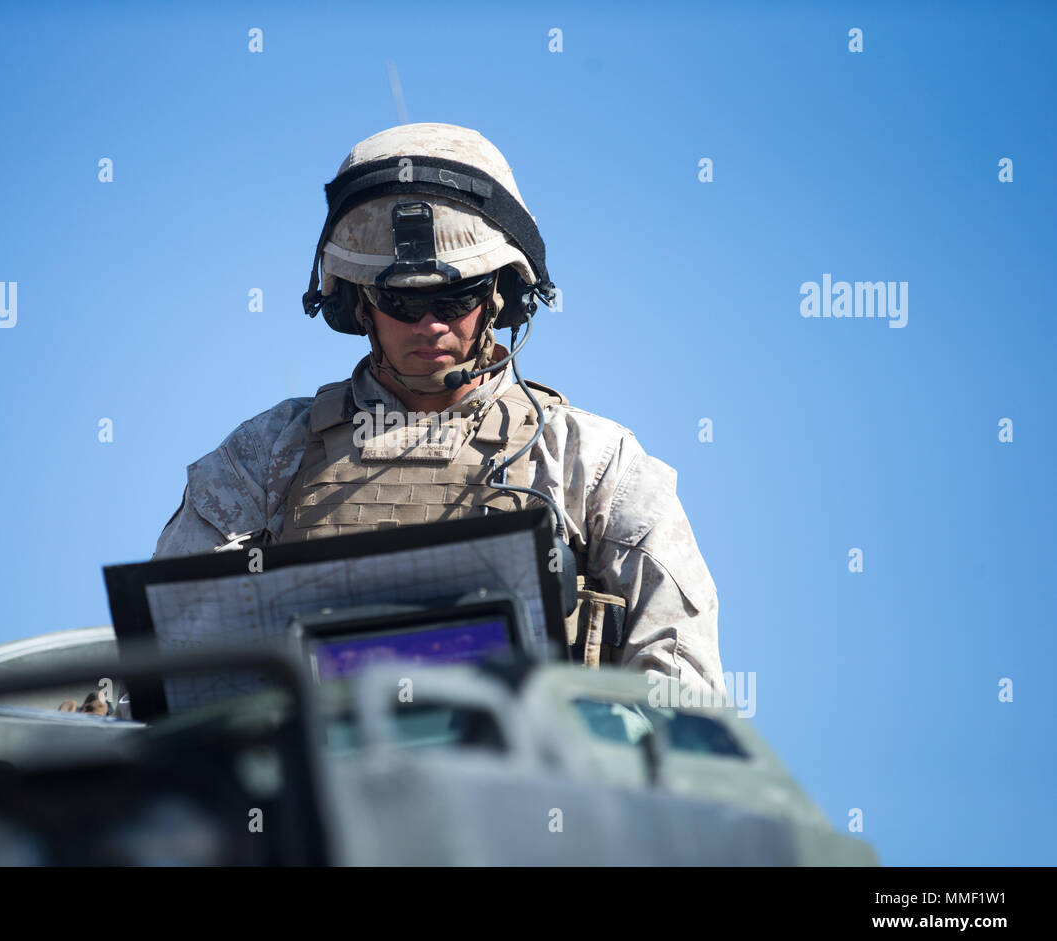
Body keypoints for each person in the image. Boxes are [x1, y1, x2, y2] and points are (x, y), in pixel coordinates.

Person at [153, 123, 724, 695]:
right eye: (402, 300)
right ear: (359, 302)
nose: (430, 325)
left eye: (455, 297)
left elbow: (682, 687)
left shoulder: (590, 462)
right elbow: (169, 664)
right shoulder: (268, 456)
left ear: (500, 295)